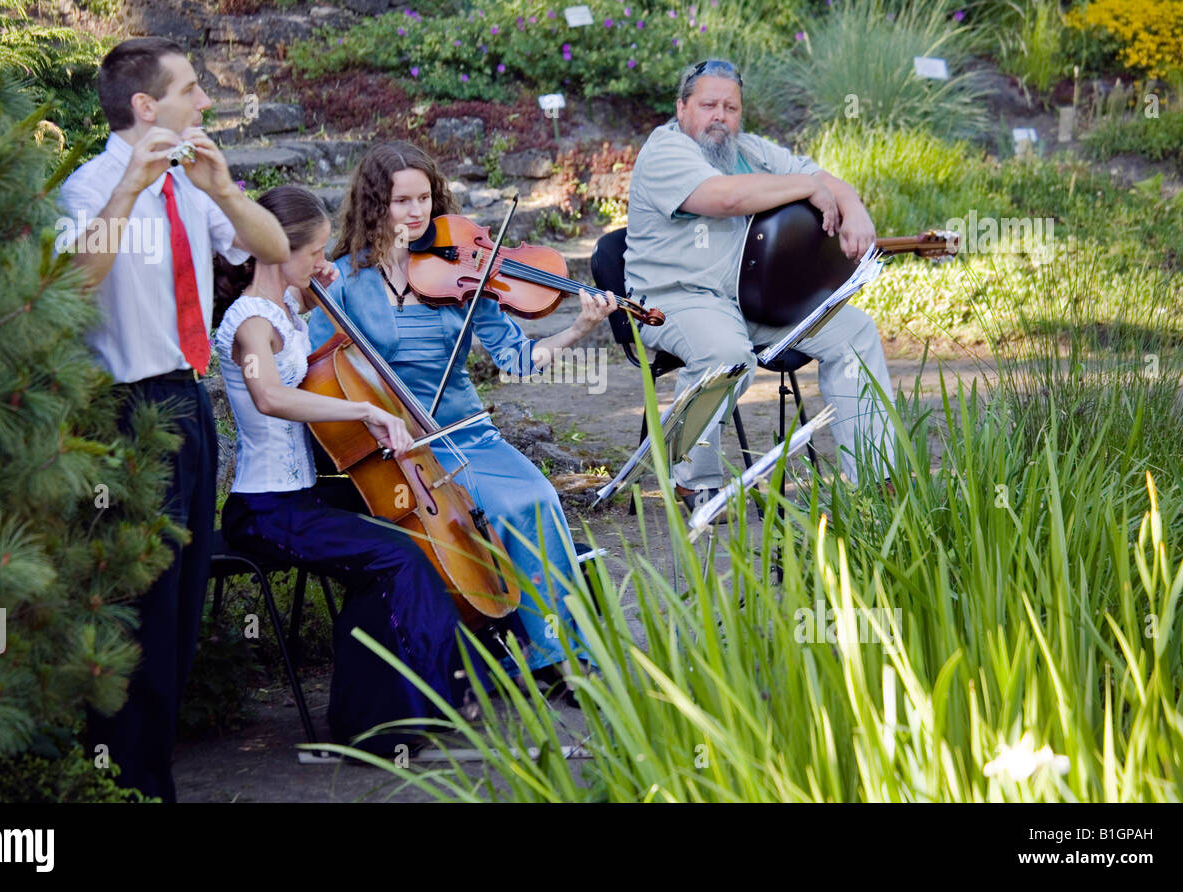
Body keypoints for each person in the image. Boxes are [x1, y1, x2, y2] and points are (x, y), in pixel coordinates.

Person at [56, 37, 291, 800]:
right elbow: (72, 284)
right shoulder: (89, 186)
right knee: (138, 609)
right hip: (126, 412)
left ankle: (152, 778)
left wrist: (223, 192)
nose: (206, 101)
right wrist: (128, 188)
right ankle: (123, 784)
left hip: (190, 403)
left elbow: (276, 247)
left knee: (183, 605)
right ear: (145, 105)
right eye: (192, 89)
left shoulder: (193, 186)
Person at [307, 141, 615, 688]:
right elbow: (313, 369)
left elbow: (517, 359)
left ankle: (561, 657)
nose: (417, 211)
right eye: (402, 200)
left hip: (468, 433)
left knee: (536, 498)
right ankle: (493, 652)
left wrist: (577, 329)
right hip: (398, 449)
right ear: (376, 204)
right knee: (482, 514)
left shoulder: (460, 272)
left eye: (425, 197)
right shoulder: (342, 281)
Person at [213, 185, 469, 752]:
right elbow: (271, 397)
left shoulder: (287, 309)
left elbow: (318, 358)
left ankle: (419, 700)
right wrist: (361, 408)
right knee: (392, 558)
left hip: (302, 498)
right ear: (278, 252)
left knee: (406, 538)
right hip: (263, 510)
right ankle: (375, 724)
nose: (324, 263)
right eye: (315, 254)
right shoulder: (248, 322)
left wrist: (314, 299)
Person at [625, 58, 896, 509]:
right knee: (725, 354)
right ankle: (693, 479)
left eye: (731, 108)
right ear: (682, 108)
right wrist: (805, 187)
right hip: (676, 299)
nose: (720, 116)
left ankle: (876, 475)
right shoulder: (666, 151)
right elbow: (725, 198)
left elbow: (824, 179)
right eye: (708, 104)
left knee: (854, 333)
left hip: (750, 301)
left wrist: (855, 208)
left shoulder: (748, 150)